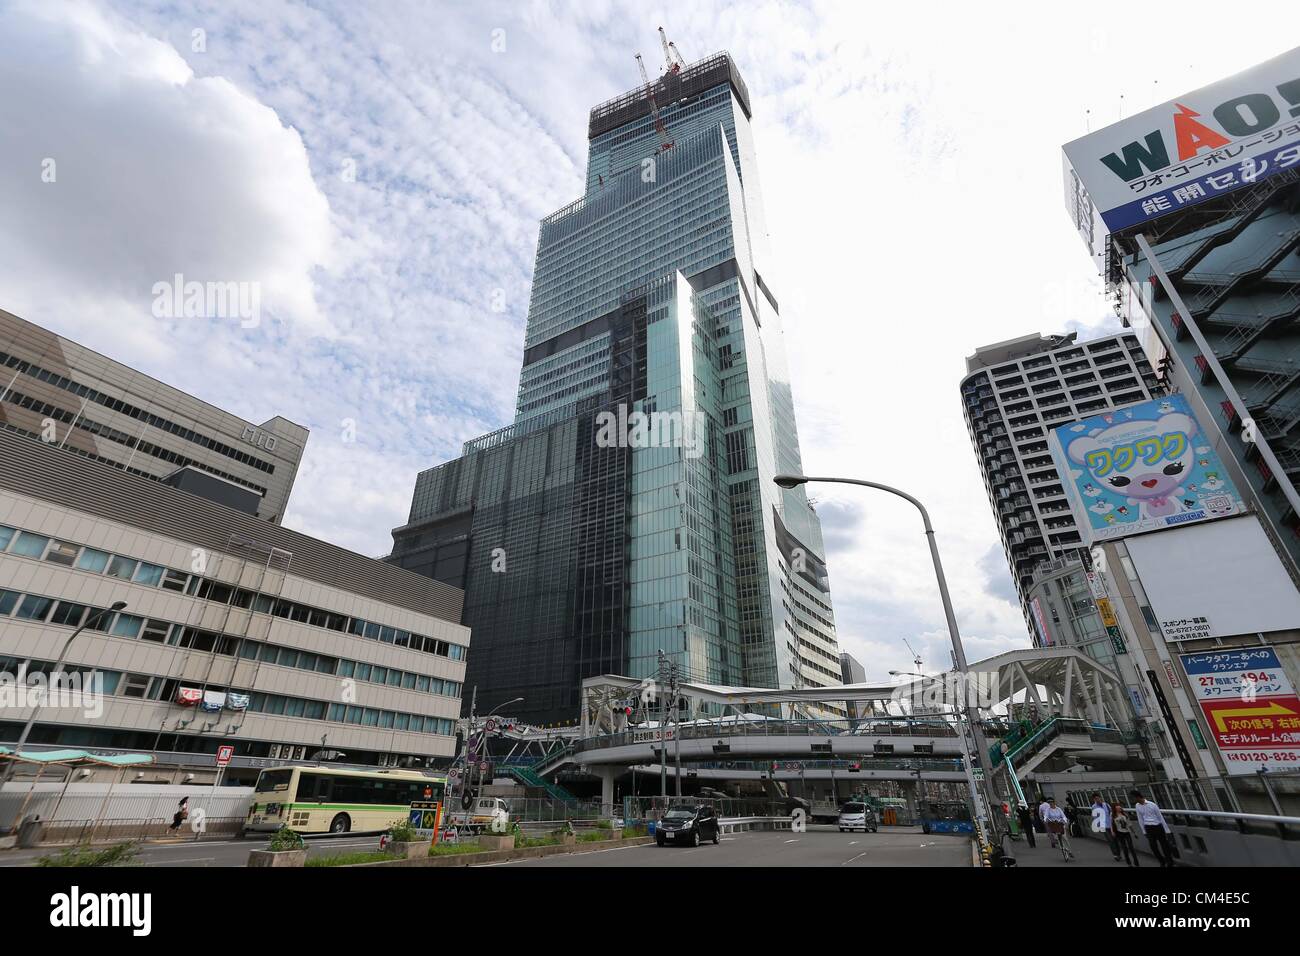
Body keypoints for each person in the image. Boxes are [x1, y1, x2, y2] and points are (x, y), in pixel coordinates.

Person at [1131, 790, 1175, 868]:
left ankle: (1170, 862)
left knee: (1164, 846)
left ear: (1138, 797)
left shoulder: (1152, 805)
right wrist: (1144, 831)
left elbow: (1160, 817)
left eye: (1133, 798)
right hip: (1148, 828)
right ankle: (1162, 861)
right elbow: (1140, 819)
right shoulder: (1137, 806)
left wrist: (1167, 830)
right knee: (1153, 847)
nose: (1133, 800)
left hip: (1157, 826)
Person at [1091, 792, 1120, 862]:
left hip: (1111, 825)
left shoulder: (1106, 805)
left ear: (1100, 798)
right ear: (1094, 799)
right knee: (1110, 840)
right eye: (1095, 799)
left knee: (1115, 839)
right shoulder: (1094, 807)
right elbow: (1095, 817)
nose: (1097, 800)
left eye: (1098, 798)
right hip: (1103, 826)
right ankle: (1115, 854)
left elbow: (1112, 813)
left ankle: (1118, 853)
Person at [1043, 797, 1073, 861]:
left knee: (1065, 838)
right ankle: (1063, 848)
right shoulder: (1048, 810)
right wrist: (1045, 819)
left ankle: (1069, 851)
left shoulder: (1058, 809)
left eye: (1051, 802)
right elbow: (1046, 816)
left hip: (1060, 824)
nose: (1051, 804)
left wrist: (1064, 820)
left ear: (1054, 802)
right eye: (1049, 803)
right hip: (1053, 825)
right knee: (1057, 839)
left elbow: (1063, 816)